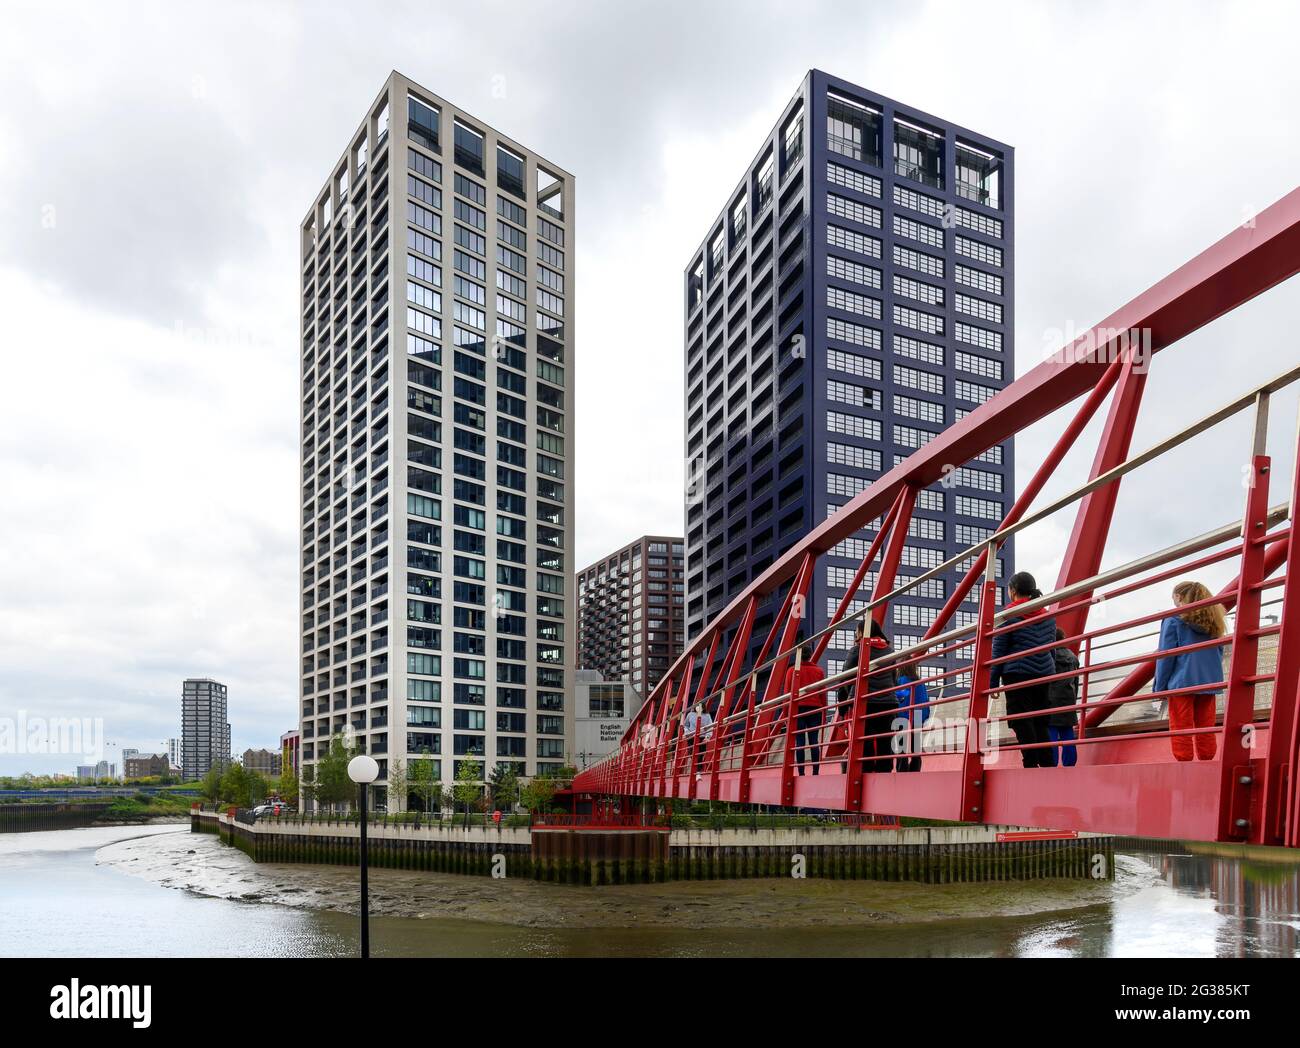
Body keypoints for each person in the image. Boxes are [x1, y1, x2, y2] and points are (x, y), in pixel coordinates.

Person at [990, 571, 1057, 768]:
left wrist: (992, 682)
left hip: (1017, 675)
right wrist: (1050, 671)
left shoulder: (1007, 616)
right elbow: (1050, 648)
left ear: (1012, 591)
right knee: (1040, 721)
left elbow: (999, 653)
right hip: (1044, 674)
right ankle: (1047, 764)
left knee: (1021, 720)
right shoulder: (1047, 615)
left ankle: (1030, 763)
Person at [1155, 580, 1226, 762]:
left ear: (1179, 597)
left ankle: (1184, 763)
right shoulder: (1213, 620)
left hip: (1182, 682)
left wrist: (1160, 687)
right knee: (1206, 725)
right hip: (1209, 681)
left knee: (1181, 726)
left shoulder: (1173, 619)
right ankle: (1207, 762)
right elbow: (1219, 650)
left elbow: (1166, 655)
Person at [783, 638, 827, 775]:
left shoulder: (791, 671)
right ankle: (815, 771)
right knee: (814, 741)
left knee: (800, 741)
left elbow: (786, 694)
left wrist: (786, 714)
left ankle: (801, 772)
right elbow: (822, 694)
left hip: (798, 709)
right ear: (811, 655)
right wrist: (824, 712)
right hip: (815, 708)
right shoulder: (819, 671)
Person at [1047, 628, 1080, 767]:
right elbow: (1076, 682)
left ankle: (1051, 764)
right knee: (1067, 733)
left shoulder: (1049, 656)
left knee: (1051, 733)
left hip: (1050, 700)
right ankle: (1070, 764)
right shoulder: (1073, 657)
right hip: (1067, 699)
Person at [894, 671, 930, 772]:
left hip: (903, 716)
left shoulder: (900, 680)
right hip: (918, 716)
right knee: (916, 747)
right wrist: (925, 715)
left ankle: (902, 770)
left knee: (902, 746)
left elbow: (899, 698)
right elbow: (925, 700)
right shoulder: (920, 682)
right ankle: (915, 770)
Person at [681, 700, 714, 773]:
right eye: (696, 706)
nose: (698, 708)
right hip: (691, 737)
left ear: (703, 707)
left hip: (702, 737)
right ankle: (697, 771)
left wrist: (707, 737)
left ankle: (698, 772)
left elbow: (710, 727)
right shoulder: (690, 714)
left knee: (700, 755)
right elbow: (685, 725)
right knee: (691, 753)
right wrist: (687, 732)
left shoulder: (707, 715)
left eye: (700, 706)